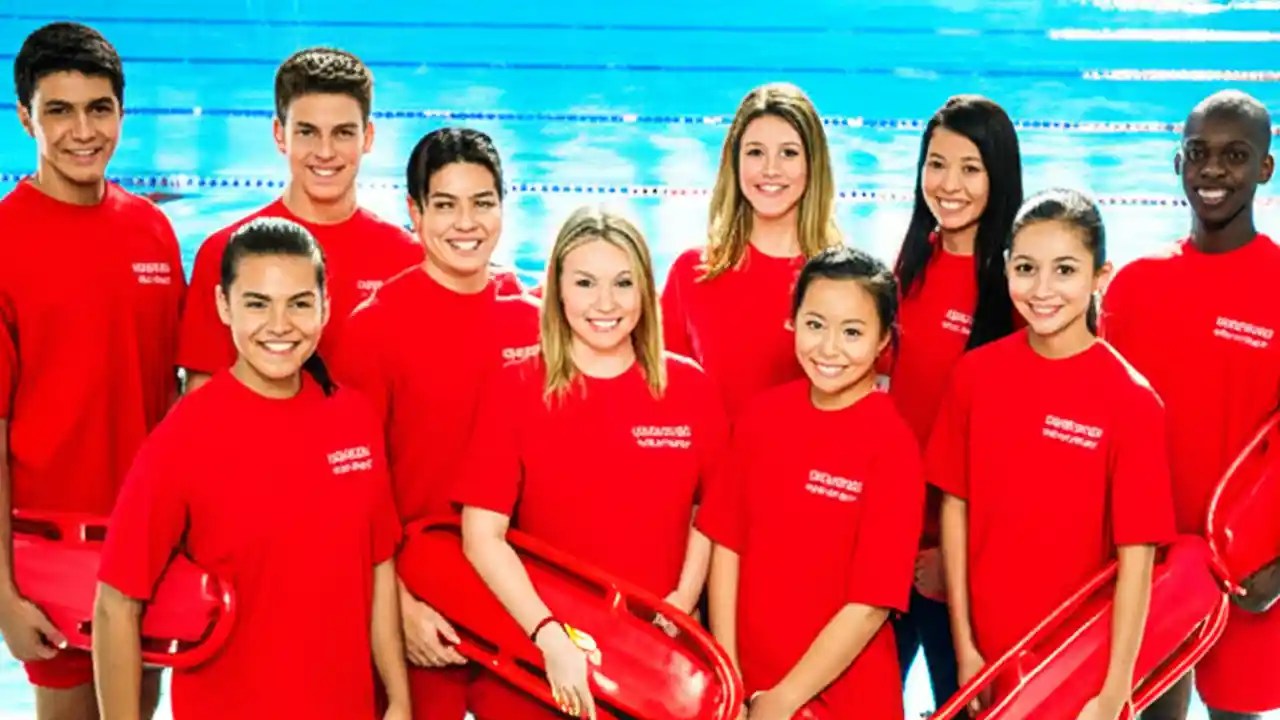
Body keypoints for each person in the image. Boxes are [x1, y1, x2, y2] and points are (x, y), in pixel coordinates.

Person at [92, 218, 410, 720]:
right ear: (224, 305)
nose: (279, 325)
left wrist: (398, 698)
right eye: (257, 304)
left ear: (325, 306)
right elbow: (115, 603)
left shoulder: (355, 418)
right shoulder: (186, 437)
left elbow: (378, 567)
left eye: (299, 303)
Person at [456, 205, 728, 720]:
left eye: (622, 283)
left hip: (654, 660)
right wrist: (549, 636)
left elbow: (711, 513)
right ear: (557, 289)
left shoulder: (689, 388)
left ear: (645, 290)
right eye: (585, 283)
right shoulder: (517, 387)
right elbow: (481, 535)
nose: (605, 303)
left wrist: (682, 601)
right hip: (539, 656)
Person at [931, 189, 1176, 719]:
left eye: (1064, 270)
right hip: (988, 654)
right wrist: (965, 646)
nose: (1042, 290)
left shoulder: (1131, 402)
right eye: (1026, 268)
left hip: (1077, 663)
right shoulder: (976, 376)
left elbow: (1136, 559)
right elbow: (956, 508)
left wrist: (1115, 687)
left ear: (1100, 277)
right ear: (1006, 268)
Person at [0, 22, 184, 720]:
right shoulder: (7, 240)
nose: (83, 131)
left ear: (121, 112)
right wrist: (2, 596)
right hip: (51, 549)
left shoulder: (152, 231)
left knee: (138, 708)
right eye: (59, 111)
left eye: (99, 109)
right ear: (26, 118)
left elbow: (177, 400)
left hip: (146, 541)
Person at [329, 127, 541, 720]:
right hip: (420, 608)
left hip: (518, 607)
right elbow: (350, 493)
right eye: (445, 205)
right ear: (415, 212)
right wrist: (396, 605)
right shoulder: (375, 329)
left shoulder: (534, 321)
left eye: (482, 202)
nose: (465, 223)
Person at [1101, 90, 1280, 720]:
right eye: (1198, 153)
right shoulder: (1135, 286)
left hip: (1250, 565)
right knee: (1152, 710)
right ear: (1178, 162)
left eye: (1235, 155)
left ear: (1265, 167)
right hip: (1146, 563)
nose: (1213, 170)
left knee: (1236, 711)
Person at [700, 246, 925, 720]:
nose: (828, 348)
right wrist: (729, 673)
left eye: (852, 332)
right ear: (794, 322)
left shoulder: (892, 447)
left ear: (883, 339)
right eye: (815, 324)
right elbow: (726, 546)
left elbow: (871, 604)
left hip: (843, 697)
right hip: (747, 685)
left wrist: (784, 699)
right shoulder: (761, 417)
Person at [884, 94, 1024, 707]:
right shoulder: (910, 266)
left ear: (999, 176)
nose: (949, 184)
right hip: (890, 544)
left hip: (956, 560)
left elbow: (1020, 453)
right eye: (936, 164)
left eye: (971, 168)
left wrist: (956, 559)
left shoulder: (1018, 287)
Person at [177, 46, 422, 394]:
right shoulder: (225, 252)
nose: (325, 152)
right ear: (280, 134)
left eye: (343, 132)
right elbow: (202, 401)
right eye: (307, 132)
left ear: (368, 137)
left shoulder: (407, 258)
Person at [660, 81, 842, 420]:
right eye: (755, 152)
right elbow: (665, 400)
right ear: (735, 162)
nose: (770, 169)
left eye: (789, 153)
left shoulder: (844, 283)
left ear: (813, 164)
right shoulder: (692, 273)